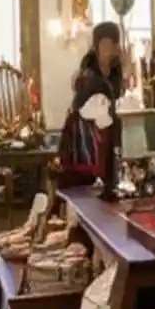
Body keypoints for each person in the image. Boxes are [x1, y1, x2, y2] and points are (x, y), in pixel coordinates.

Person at [56, 22, 124, 196]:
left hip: (106, 125)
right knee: (83, 179)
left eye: (112, 44)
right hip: (84, 129)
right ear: (96, 46)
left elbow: (117, 97)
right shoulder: (88, 72)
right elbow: (84, 105)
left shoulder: (116, 70)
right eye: (104, 45)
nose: (108, 49)